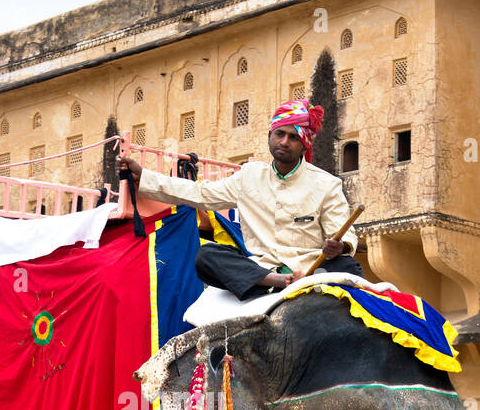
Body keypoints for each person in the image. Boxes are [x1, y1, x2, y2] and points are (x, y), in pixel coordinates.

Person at [116, 98, 364, 301]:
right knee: (206, 256)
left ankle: (291, 283)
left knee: (349, 267)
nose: (284, 142)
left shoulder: (326, 184)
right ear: (270, 135)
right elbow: (200, 194)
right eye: (280, 134)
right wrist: (144, 177)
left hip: (312, 269)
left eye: (293, 137)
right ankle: (275, 282)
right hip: (262, 270)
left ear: (304, 144)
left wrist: (338, 246)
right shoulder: (249, 175)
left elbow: (345, 235)